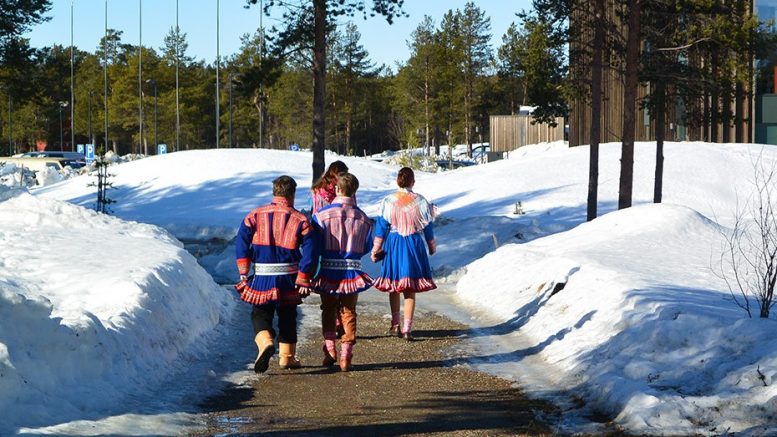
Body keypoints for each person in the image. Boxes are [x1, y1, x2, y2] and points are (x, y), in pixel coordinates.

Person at [235, 175, 318, 373]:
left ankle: (265, 342)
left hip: (262, 275)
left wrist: (244, 270)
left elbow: (242, 241)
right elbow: (311, 250)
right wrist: (304, 276)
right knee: (288, 314)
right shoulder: (300, 219)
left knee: (260, 312)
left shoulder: (254, 215)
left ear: (274, 192)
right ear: (292, 195)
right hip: (289, 276)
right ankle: (287, 358)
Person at [311, 172, 374, 371]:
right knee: (349, 311)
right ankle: (346, 354)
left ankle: (330, 349)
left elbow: (314, 245)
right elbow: (367, 246)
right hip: (352, 271)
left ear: (337, 189)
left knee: (328, 309)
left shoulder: (321, 215)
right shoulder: (364, 218)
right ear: (354, 191)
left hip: (328, 269)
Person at [371, 167, 437, 341]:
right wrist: (431, 246)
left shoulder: (388, 201)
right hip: (413, 244)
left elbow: (381, 228)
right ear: (413, 181)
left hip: (393, 243)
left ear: (397, 181)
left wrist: (376, 249)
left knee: (393, 285)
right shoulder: (421, 201)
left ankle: (395, 325)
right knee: (410, 288)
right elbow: (428, 228)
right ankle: (407, 329)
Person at [311, 160, 350, 338]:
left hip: (323, 237)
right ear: (336, 173)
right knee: (342, 279)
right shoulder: (343, 189)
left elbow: (315, 214)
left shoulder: (318, 190)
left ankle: (333, 317)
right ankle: (338, 318)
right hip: (342, 238)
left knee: (328, 280)